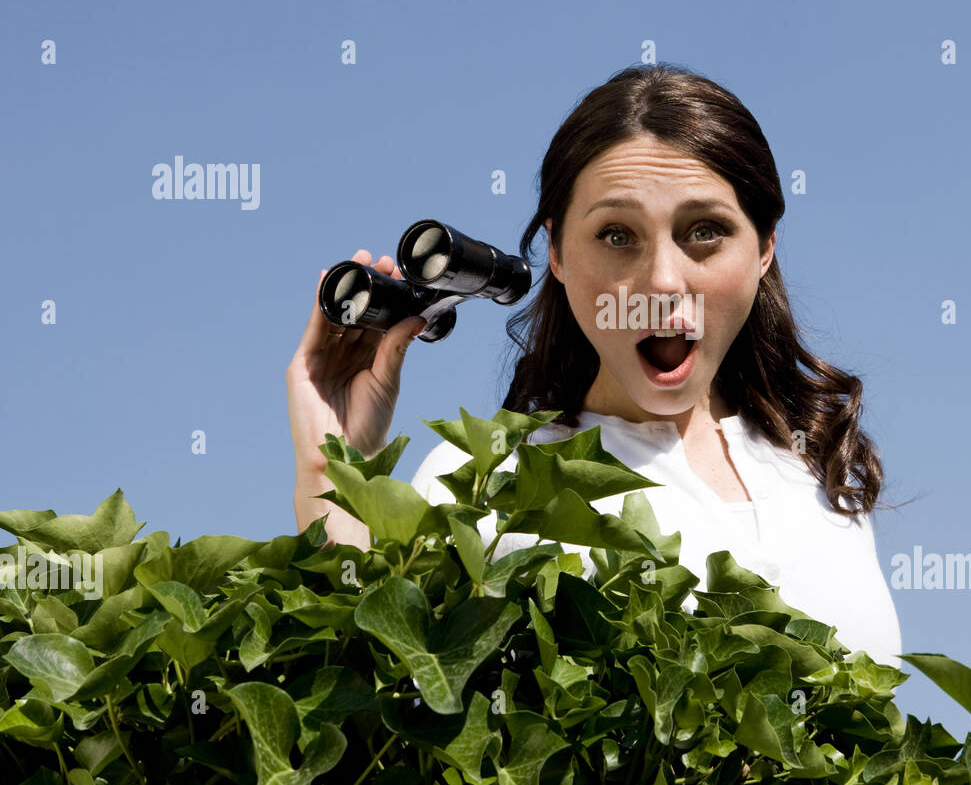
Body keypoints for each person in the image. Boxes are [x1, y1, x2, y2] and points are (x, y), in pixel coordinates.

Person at [286, 63, 903, 669]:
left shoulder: (819, 472)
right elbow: (378, 722)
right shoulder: (485, 482)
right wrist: (331, 474)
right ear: (556, 253)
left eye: (705, 231)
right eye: (616, 235)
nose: (662, 282)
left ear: (765, 247)